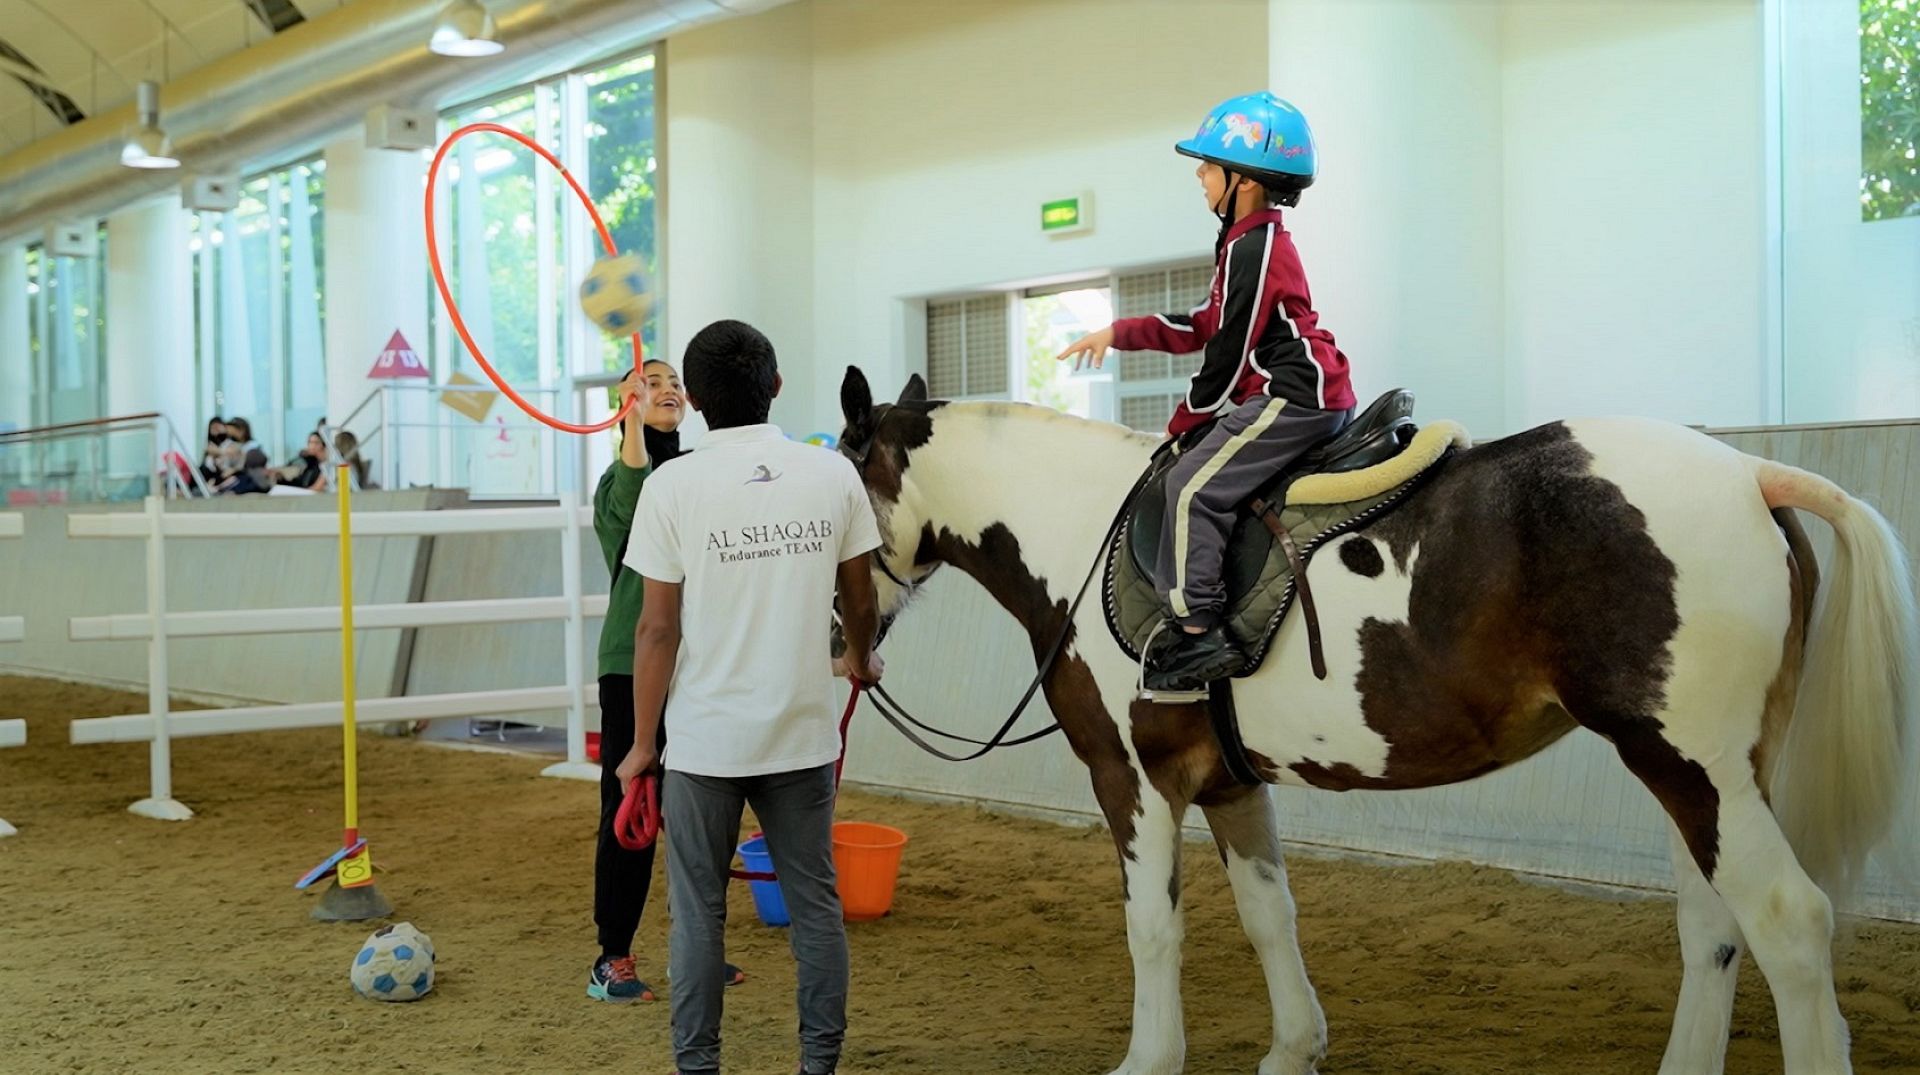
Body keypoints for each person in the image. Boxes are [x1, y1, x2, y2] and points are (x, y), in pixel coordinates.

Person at [615, 320, 884, 1075]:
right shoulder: (831, 473)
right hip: (799, 734)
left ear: (694, 399)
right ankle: (818, 1064)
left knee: (697, 910)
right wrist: (860, 659)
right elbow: (859, 599)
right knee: (815, 906)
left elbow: (656, 629)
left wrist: (642, 745)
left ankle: (698, 1065)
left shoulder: (672, 485)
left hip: (703, 742)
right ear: (775, 386)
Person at [1056, 92, 1358, 693]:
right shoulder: (1243, 243)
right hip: (1286, 390)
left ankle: (1202, 634)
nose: (1199, 174)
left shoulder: (1258, 246)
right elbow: (1204, 325)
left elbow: (1228, 355)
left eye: (1208, 166)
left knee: (1190, 488)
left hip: (1294, 394)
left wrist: (1183, 422)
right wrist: (1118, 332)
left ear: (1241, 180)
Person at [585, 358, 744, 1003]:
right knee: (629, 809)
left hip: (704, 661)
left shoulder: (706, 474)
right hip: (634, 664)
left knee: (702, 809)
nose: (667, 388)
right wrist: (631, 427)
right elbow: (634, 490)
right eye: (650, 382)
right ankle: (612, 956)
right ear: (625, 401)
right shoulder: (620, 483)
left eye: (674, 381)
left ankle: (697, 948)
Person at [199, 418, 230, 486]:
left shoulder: (230, 443)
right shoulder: (210, 445)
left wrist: (219, 452)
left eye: (218, 427)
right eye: (213, 428)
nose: (216, 430)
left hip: (224, 473)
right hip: (209, 473)